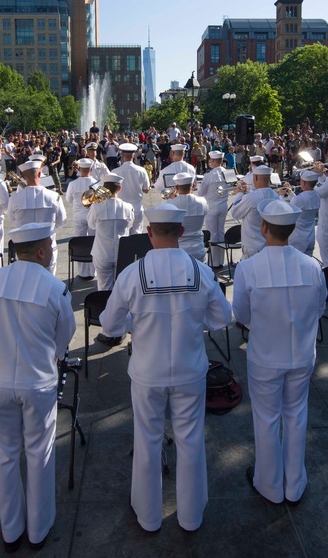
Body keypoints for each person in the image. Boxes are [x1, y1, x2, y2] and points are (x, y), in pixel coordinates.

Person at [99, 204, 232, 533]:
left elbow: (111, 326)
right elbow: (221, 318)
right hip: (190, 370)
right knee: (190, 440)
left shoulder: (131, 274)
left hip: (147, 372)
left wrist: (135, 322)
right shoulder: (201, 271)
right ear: (182, 232)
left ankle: (148, 516)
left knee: (147, 440)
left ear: (149, 233)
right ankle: (191, 516)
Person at [0, 222, 76, 552]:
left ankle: (11, 531)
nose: (52, 252)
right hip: (38, 383)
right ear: (41, 251)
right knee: (39, 455)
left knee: (6, 456)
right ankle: (38, 530)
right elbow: (64, 336)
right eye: (51, 247)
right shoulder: (56, 288)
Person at [231, 199, 326, 505]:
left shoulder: (247, 268)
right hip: (301, 355)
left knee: (267, 418)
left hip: (265, 357)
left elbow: (241, 315)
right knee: (297, 416)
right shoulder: (313, 266)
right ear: (292, 228)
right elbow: (319, 308)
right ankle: (294, 483)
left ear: (263, 228)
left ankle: (269, 483)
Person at [7, 160, 67, 276]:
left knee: (26, 282)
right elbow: (61, 221)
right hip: (47, 247)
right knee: (48, 282)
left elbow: (12, 218)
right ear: (40, 174)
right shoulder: (53, 196)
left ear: (23, 176)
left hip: (24, 249)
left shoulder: (15, 198)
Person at [87, 173, 134, 292]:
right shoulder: (128, 207)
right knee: (122, 287)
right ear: (119, 188)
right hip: (122, 252)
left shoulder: (96, 206)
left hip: (102, 252)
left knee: (104, 288)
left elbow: (91, 226)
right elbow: (130, 225)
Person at [230, 165, 279, 261]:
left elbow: (235, 213)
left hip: (252, 248)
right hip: (268, 246)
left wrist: (239, 194)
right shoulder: (275, 196)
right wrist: (247, 192)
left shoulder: (250, 198)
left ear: (255, 177)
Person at [64, 158, 96, 281]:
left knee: (80, 241)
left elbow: (68, 200)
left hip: (78, 216)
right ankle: (92, 271)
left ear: (79, 170)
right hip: (92, 215)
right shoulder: (96, 183)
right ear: (91, 170)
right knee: (93, 242)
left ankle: (83, 272)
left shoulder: (73, 184)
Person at [198, 151, 229, 268]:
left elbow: (200, 193)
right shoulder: (228, 173)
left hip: (211, 207)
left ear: (212, 161)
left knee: (213, 234)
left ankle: (213, 262)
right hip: (223, 206)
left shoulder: (209, 175)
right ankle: (220, 261)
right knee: (221, 232)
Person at [170, 172, 208, 261]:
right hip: (198, 248)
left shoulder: (170, 203)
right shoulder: (203, 201)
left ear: (177, 187)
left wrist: (172, 200)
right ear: (193, 185)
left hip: (179, 249)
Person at [116, 142, 150, 235]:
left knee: (123, 237)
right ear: (134, 155)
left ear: (122, 155)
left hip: (122, 208)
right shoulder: (142, 170)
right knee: (136, 237)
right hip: (137, 207)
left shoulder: (115, 172)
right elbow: (146, 190)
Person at [288, 170, 321, 256]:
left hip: (297, 238)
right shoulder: (317, 195)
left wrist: (280, 196)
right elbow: (300, 203)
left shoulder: (299, 199)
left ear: (304, 183)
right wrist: (290, 193)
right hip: (310, 236)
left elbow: (288, 212)